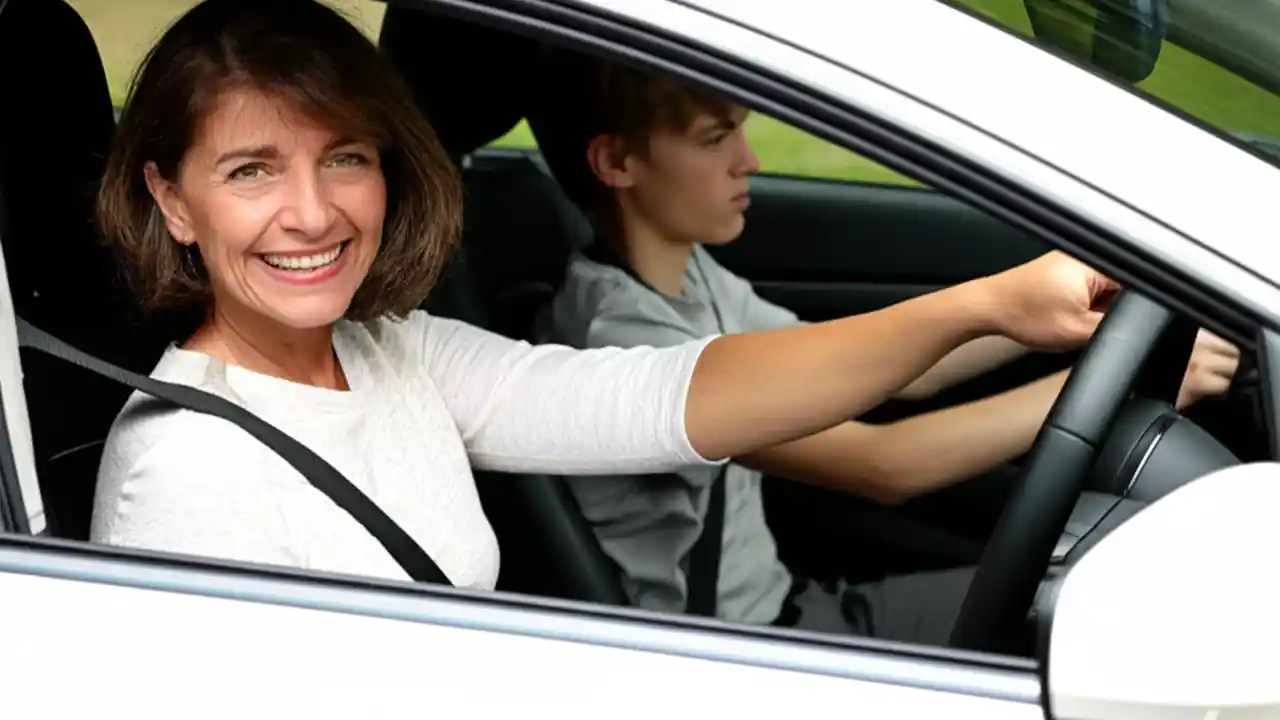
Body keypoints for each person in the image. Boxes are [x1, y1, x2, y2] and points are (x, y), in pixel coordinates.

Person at [90, 0, 1134, 646]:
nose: (313, 213)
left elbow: (666, 395)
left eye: (344, 158)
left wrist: (988, 305)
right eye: (251, 171)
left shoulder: (394, 352)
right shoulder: (184, 473)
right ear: (173, 202)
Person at [536, 61, 1240, 641]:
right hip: (745, 660)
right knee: (1124, 622)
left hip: (795, 613)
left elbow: (894, 376)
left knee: (1114, 598)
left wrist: (1045, 305)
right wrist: (1125, 390)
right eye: (715, 137)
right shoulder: (622, 342)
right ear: (617, 161)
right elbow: (885, 464)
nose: (747, 160)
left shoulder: (686, 278)